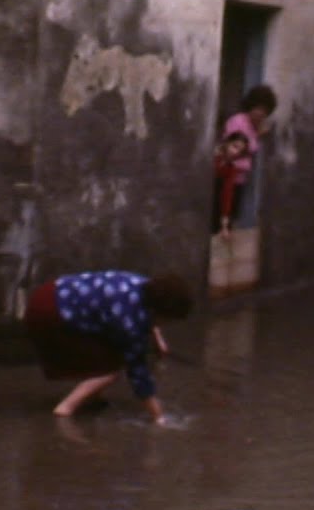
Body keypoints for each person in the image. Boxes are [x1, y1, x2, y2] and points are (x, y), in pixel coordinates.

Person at [25, 270, 193, 425]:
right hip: (49, 315)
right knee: (110, 368)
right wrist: (158, 415)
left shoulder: (142, 284)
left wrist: (158, 338)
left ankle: (91, 398)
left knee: (105, 349)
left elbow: (147, 317)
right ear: (158, 312)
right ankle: (65, 408)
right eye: (168, 320)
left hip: (50, 292)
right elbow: (138, 373)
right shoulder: (129, 322)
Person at [216, 85, 277, 230]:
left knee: (231, 218)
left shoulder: (252, 125)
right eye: (259, 109)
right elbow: (234, 149)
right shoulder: (238, 121)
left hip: (240, 179)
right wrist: (257, 136)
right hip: (227, 177)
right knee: (221, 219)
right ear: (251, 105)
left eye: (265, 111)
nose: (261, 114)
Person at [211, 131, 249, 238]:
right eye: (234, 146)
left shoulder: (231, 167)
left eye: (240, 151)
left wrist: (224, 223)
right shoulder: (211, 155)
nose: (235, 152)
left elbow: (227, 193)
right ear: (227, 142)